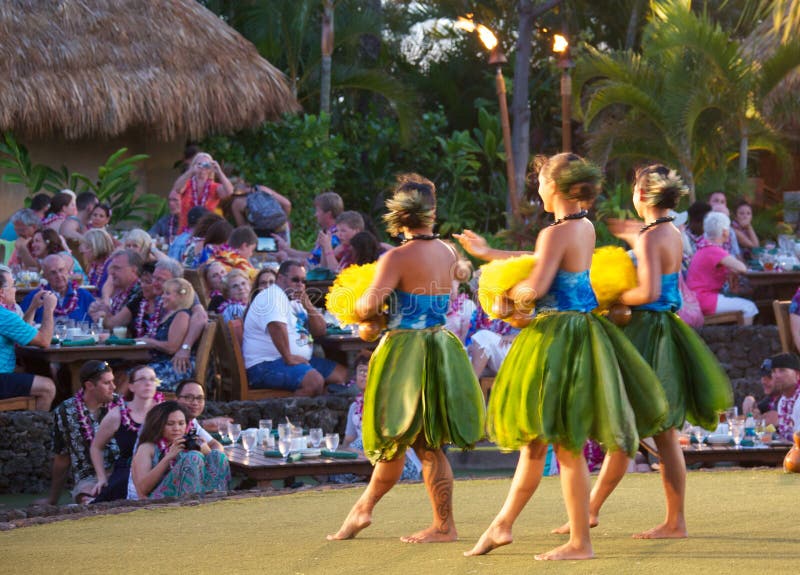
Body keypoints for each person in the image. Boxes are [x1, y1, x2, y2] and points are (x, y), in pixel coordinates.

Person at [454, 154, 668, 560]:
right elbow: (545, 268)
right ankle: (502, 525)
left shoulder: (555, 233)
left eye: (539, 181)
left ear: (554, 187)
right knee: (536, 443)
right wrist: (491, 256)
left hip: (559, 339)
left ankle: (579, 542)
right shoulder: (582, 225)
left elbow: (534, 286)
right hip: (581, 331)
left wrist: (500, 298)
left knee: (565, 443)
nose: (537, 188)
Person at [552, 164, 732, 540]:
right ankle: (598, 512)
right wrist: (636, 239)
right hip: (665, 329)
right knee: (654, 434)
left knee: (635, 431)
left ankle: (647, 520)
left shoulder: (653, 237)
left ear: (643, 195)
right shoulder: (671, 231)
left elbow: (649, 292)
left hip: (647, 333)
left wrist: (611, 298)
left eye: (634, 187)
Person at [328, 173, 485, 543]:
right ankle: (368, 510)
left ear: (398, 214)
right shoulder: (448, 252)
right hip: (440, 347)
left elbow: (368, 305)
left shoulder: (396, 257)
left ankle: (415, 520)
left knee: (397, 435)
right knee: (421, 440)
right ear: (432, 212)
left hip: (405, 352)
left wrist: (359, 297)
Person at [243, 260, 347, 396]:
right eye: (295, 280)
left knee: (342, 375)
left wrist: (308, 306)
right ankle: (290, 413)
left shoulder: (295, 301)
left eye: (304, 281)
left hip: (296, 360)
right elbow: (277, 327)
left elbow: (320, 331)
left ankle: (318, 410)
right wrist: (288, 357)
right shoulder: (272, 296)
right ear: (280, 278)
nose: (300, 285)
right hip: (265, 365)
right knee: (314, 381)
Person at [340, 357, 421, 481]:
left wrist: (357, 452)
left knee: (365, 439)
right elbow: (347, 443)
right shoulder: (355, 407)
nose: (363, 375)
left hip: (401, 463)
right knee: (340, 473)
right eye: (360, 371)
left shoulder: (388, 404)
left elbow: (391, 442)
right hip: (369, 462)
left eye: (367, 371)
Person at [48, 360, 119, 504]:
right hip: (88, 478)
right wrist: (52, 500)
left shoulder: (121, 406)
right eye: (107, 383)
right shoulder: (65, 412)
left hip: (119, 472)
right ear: (89, 386)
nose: (114, 387)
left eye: (113, 381)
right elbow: (62, 458)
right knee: (89, 498)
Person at [129, 401, 230, 499]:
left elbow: (213, 468)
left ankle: (216, 502)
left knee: (217, 455)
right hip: (160, 500)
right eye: (170, 424)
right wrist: (169, 457)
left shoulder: (187, 442)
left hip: (197, 494)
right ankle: (190, 507)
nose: (176, 428)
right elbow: (142, 489)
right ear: (158, 425)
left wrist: (206, 451)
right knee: (193, 457)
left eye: (181, 423)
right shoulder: (148, 447)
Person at [90, 365, 161, 502]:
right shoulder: (117, 414)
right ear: (131, 386)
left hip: (158, 465)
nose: (148, 383)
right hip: (127, 471)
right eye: (142, 379)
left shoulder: (164, 412)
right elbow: (96, 447)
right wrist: (101, 477)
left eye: (152, 380)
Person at [0, 265, 57, 410]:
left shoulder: (5, 317)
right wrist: (49, 309)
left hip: (6, 372)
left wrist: (33, 307)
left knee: (30, 371)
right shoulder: (4, 316)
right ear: (1, 292)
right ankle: (36, 431)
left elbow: (21, 333)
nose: (15, 290)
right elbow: (44, 341)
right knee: (47, 387)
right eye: (12, 286)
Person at [686, 211, 758, 324]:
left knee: (745, 302)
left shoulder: (704, 247)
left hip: (697, 298)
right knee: (750, 307)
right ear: (725, 232)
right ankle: (744, 339)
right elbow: (741, 267)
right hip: (704, 299)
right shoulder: (713, 250)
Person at [138, 278, 197, 392]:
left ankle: (123, 407)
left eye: (168, 294)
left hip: (176, 368)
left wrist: (150, 342)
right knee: (127, 373)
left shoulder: (181, 315)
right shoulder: (170, 314)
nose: (163, 297)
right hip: (163, 364)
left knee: (134, 377)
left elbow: (172, 347)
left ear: (181, 297)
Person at [273, 191, 343, 267]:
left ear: (328, 214)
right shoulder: (327, 232)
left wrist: (287, 259)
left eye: (318, 211)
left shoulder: (336, 237)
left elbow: (321, 267)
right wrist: (286, 249)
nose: (315, 215)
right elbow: (312, 256)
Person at [22, 254, 94, 324]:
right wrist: (33, 307)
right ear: (45, 276)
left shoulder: (84, 296)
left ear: (68, 272)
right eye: (53, 273)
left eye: (61, 270)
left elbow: (97, 323)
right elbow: (23, 325)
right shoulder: (35, 297)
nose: (59, 276)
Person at [173, 152, 233, 232]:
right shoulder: (187, 184)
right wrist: (191, 171)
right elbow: (177, 188)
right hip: (185, 230)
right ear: (194, 165)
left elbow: (229, 191)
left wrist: (219, 171)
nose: (203, 167)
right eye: (199, 164)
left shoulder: (214, 187)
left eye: (206, 165)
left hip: (207, 231)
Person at [175, 379, 229, 451]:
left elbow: (215, 444)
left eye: (199, 398)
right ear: (176, 400)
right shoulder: (167, 420)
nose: (195, 403)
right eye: (189, 397)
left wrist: (212, 455)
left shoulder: (193, 422)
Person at [769, 353, 800, 441]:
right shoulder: (782, 401)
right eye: (773, 371)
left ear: (798, 375)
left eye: (782, 370)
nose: (776, 376)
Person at [742, 358, 780, 425]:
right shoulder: (773, 397)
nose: (763, 381)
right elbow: (756, 412)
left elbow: (773, 419)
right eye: (762, 376)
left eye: (769, 377)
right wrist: (750, 400)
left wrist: (759, 418)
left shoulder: (789, 398)